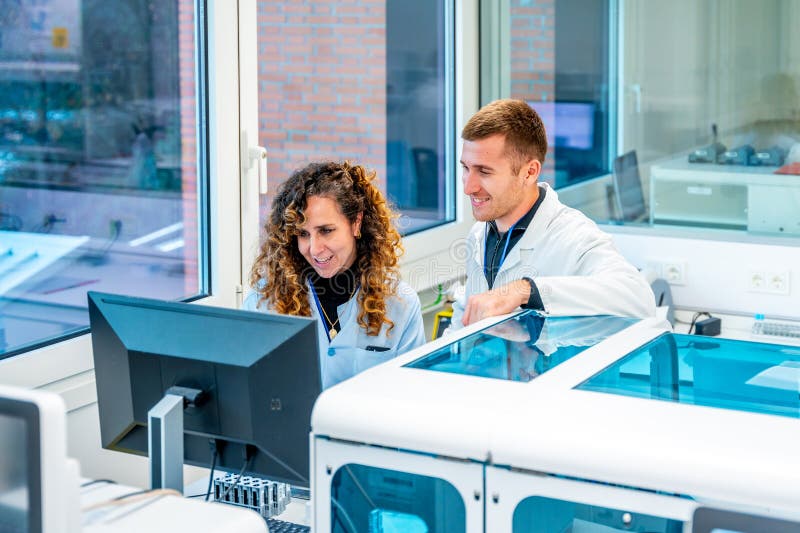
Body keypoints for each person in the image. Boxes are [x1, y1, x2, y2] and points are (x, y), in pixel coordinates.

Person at [451, 98, 655, 330]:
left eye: (484, 172)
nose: (468, 187)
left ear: (529, 172)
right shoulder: (480, 233)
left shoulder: (573, 235)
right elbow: (467, 312)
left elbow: (639, 298)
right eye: (466, 168)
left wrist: (525, 290)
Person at [244, 161, 426, 389]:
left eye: (326, 231)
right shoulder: (264, 301)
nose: (314, 248)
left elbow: (412, 394)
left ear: (356, 223)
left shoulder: (401, 304)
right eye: (302, 234)